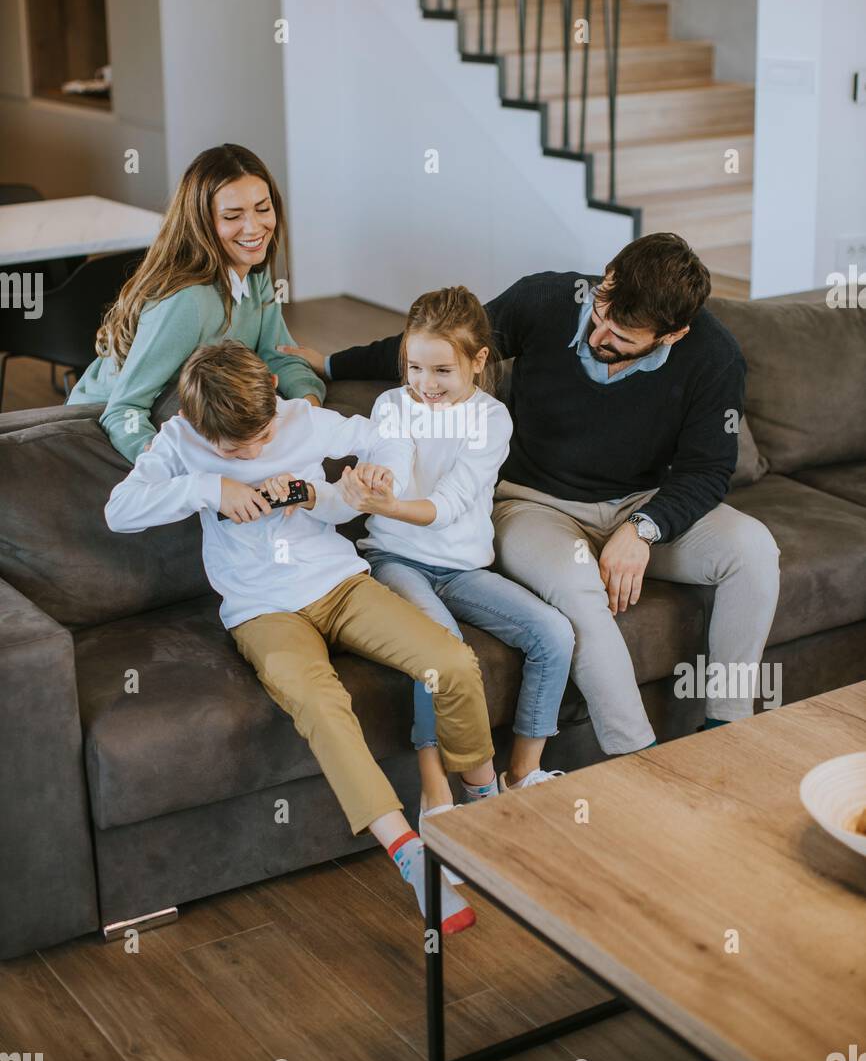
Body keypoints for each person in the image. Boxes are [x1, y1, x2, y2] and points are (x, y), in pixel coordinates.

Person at [281, 233, 781, 754]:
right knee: (577, 588)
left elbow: (707, 470)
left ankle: (727, 730)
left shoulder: (714, 357)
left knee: (754, 551)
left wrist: (643, 529)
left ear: (673, 335)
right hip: (535, 505)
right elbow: (446, 344)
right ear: (606, 277)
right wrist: (333, 364)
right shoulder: (547, 300)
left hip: (643, 505)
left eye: (621, 335)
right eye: (602, 308)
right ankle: (634, 755)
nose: (598, 332)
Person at [104, 339, 499, 935]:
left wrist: (375, 472)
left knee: (452, 662)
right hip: (263, 609)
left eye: (264, 435)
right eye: (241, 448)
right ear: (195, 425)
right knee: (320, 703)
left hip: (339, 581)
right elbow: (120, 510)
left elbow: (382, 435)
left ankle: (484, 803)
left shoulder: (300, 419)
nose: (259, 449)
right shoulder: (180, 442)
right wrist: (210, 490)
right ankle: (412, 857)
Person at [337, 284, 575, 874]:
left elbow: (450, 503)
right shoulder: (393, 405)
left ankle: (522, 772)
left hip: (464, 566)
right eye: (414, 367)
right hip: (395, 559)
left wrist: (386, 503)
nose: (425, 382)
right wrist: (377, 486)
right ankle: (435, 789)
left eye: (442, 369)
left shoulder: (491, 420)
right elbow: (389, 459)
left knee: (554, 633)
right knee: (441, 651)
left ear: (478, 361)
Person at [69, 143, 325, 462]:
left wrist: (311, 412)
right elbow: (125, 410)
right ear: (203, 223)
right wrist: (172, 472)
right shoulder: (186, 302)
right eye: (233, 216)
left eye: (263, 209)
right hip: (98, 426)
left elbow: (280, 355)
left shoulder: (253, 272)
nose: (255, 227)